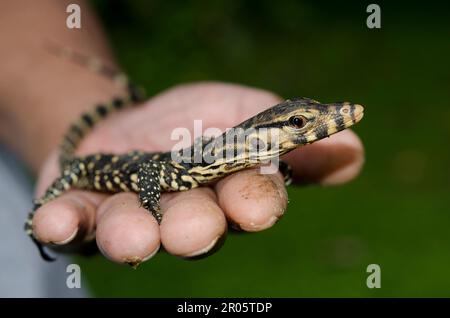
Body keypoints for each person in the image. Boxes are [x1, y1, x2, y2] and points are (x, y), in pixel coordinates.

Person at [0, 0, 365, 297]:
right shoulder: (207, 158)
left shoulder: (236, 153)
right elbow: (148, 172)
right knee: (63, 188)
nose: (321, 124)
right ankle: (34, 215)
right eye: (299, 122)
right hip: (91, 167)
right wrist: (150, 203)